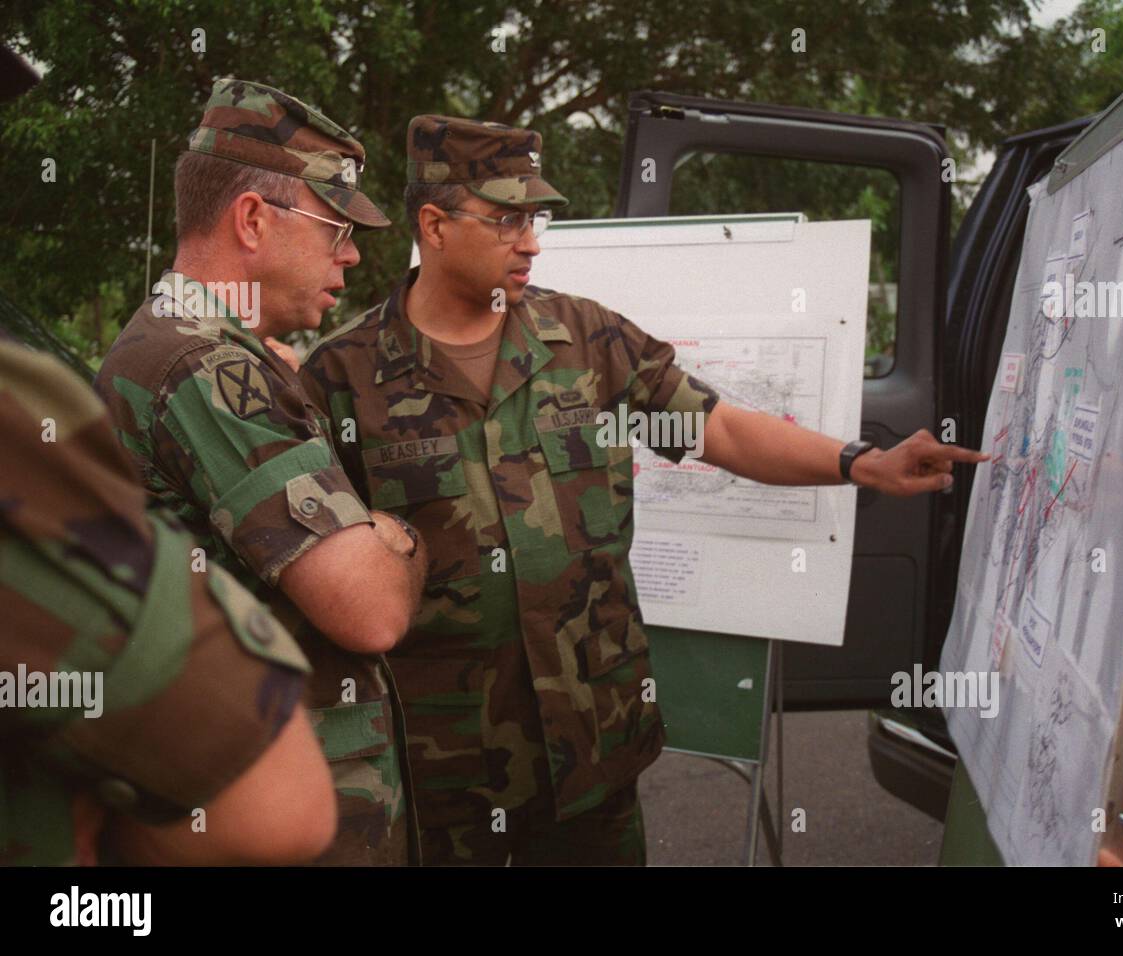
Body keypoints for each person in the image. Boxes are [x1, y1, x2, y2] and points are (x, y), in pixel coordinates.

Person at [301, 114, 988, 865]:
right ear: (434, 225)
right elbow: (321, 582)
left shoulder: (587, 339)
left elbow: (718, 429)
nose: (530, 241)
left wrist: (861, 462)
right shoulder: (343, 376)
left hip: (594, 748)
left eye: (535, 219)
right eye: (505, 220)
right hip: (442, 773)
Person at [94, 79, 428, 865]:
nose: (348, 261)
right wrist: (400, 539)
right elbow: (370, 609)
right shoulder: (206, 370)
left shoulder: (187, 351)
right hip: (274, 819)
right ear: (252, 219)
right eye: (335, 230)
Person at [0, 334, 337, 865]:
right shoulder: (193, 364)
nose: (349, 262)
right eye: (336, 242)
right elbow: (368, 612)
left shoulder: (153, 350)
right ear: (253, 241)